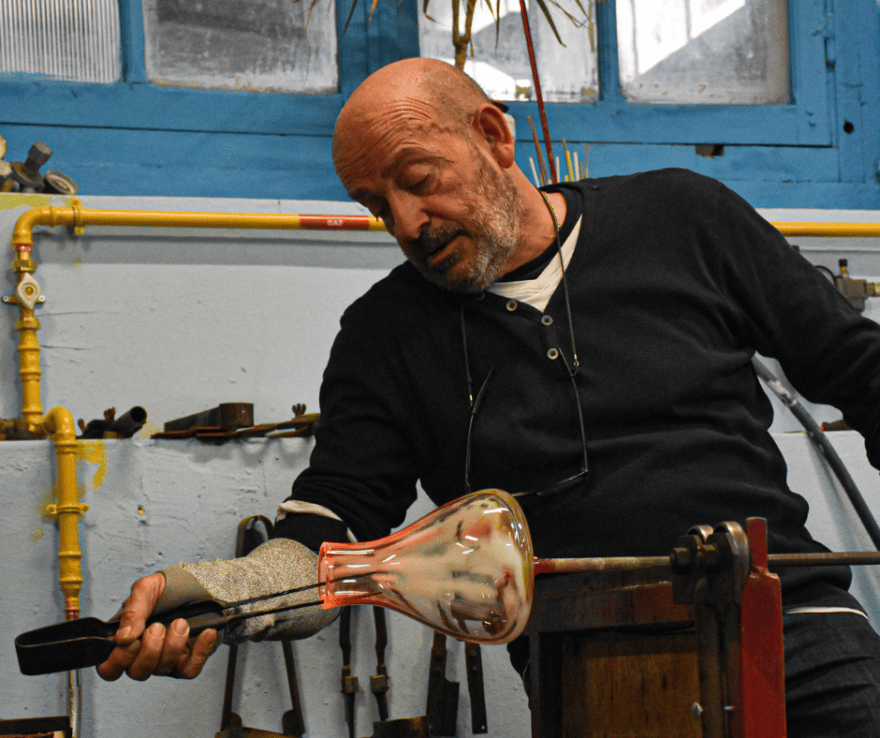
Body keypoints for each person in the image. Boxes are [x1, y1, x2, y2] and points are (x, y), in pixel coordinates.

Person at [98, 57, 880, 734]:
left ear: (492, 136)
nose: (407, 223)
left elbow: (858, 366)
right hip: (585, 661)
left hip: (793, 627)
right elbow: (329, 537)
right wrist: (215, 595)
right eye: (379, 206)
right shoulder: (384, 335)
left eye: (417, 180)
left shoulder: (685, 217)